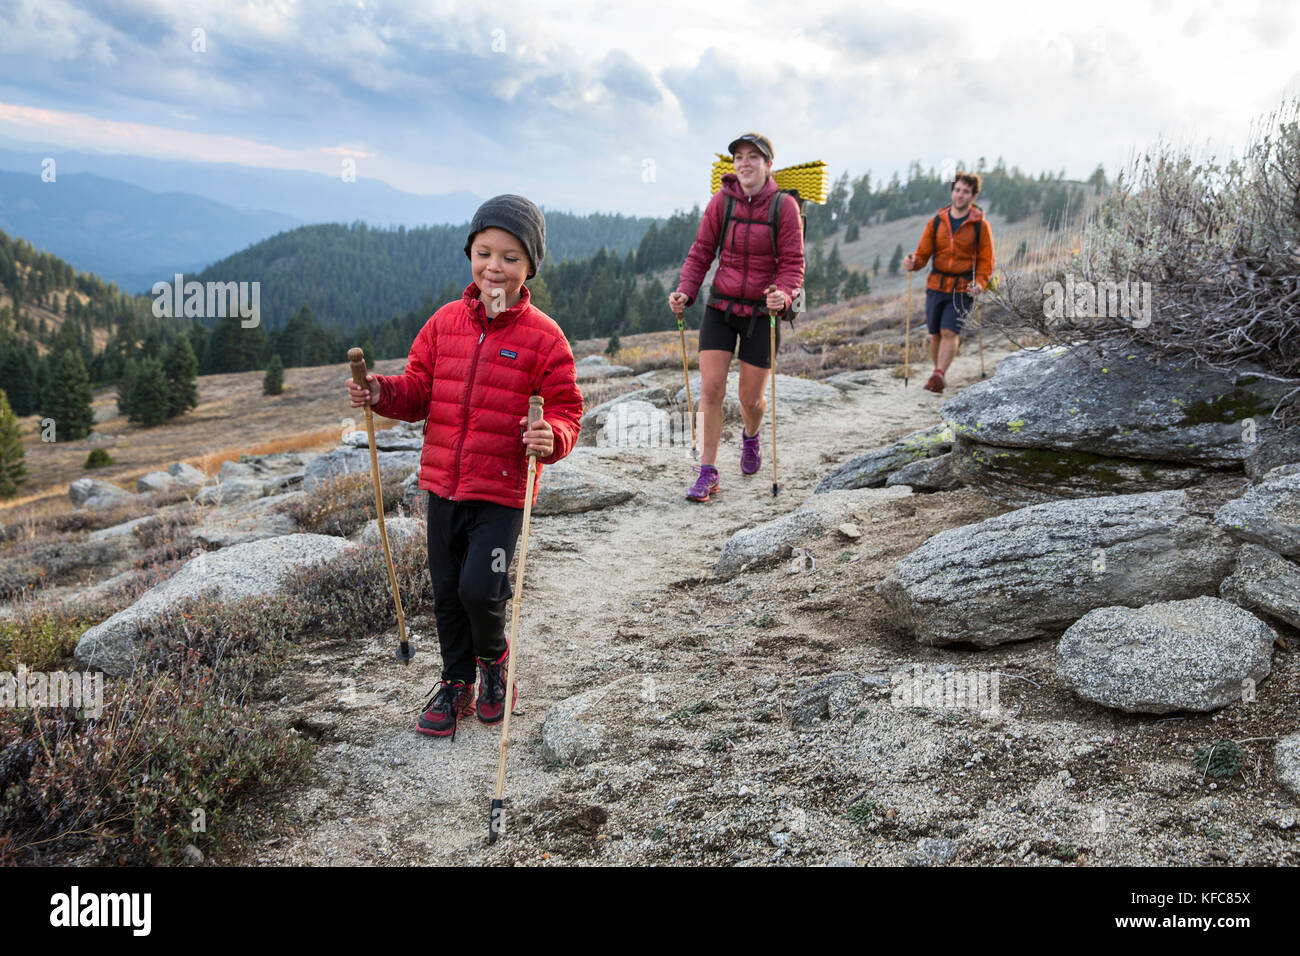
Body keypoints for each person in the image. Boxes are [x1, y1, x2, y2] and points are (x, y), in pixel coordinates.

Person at [346, 194, 583, 739]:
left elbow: (567, 408)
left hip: (502, 492)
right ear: (470, 253)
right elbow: (416, 392)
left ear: (530, 268)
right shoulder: (444, 324)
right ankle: (457, 682)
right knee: (448, 590)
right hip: (443, 486)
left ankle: (495, 663)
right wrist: (379, 392)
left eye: (510, 257)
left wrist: (555, 436)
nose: (494, 267)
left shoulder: (544, 337)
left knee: (482, 587)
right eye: (483, 252)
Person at [670, 132, 805, 502]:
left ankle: (751, 436)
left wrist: (785, 292)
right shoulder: (721, 203)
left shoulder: (784, 207)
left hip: (763, 313)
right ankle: (708, 470)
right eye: (739, 157)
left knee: (749, 399)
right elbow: (701, 253)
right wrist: (687, 290)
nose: (745, 163)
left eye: (753, 157)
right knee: (711, 389)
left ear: (768, 164)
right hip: (721, 307)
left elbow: (793, 263)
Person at [903, 171, 995, 394]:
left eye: (965, 192)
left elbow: (986, 260)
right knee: (934, 332)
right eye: (957, 190)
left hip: (963, 287)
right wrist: (913, 262)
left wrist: (980, 283)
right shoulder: (936, 222)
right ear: (952, 192)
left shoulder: (980, 226)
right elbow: (923, 254)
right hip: (936, 284)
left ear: (973, 196)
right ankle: (937, 372)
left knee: (949, 331)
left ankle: (939, 374)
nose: (960, 195)